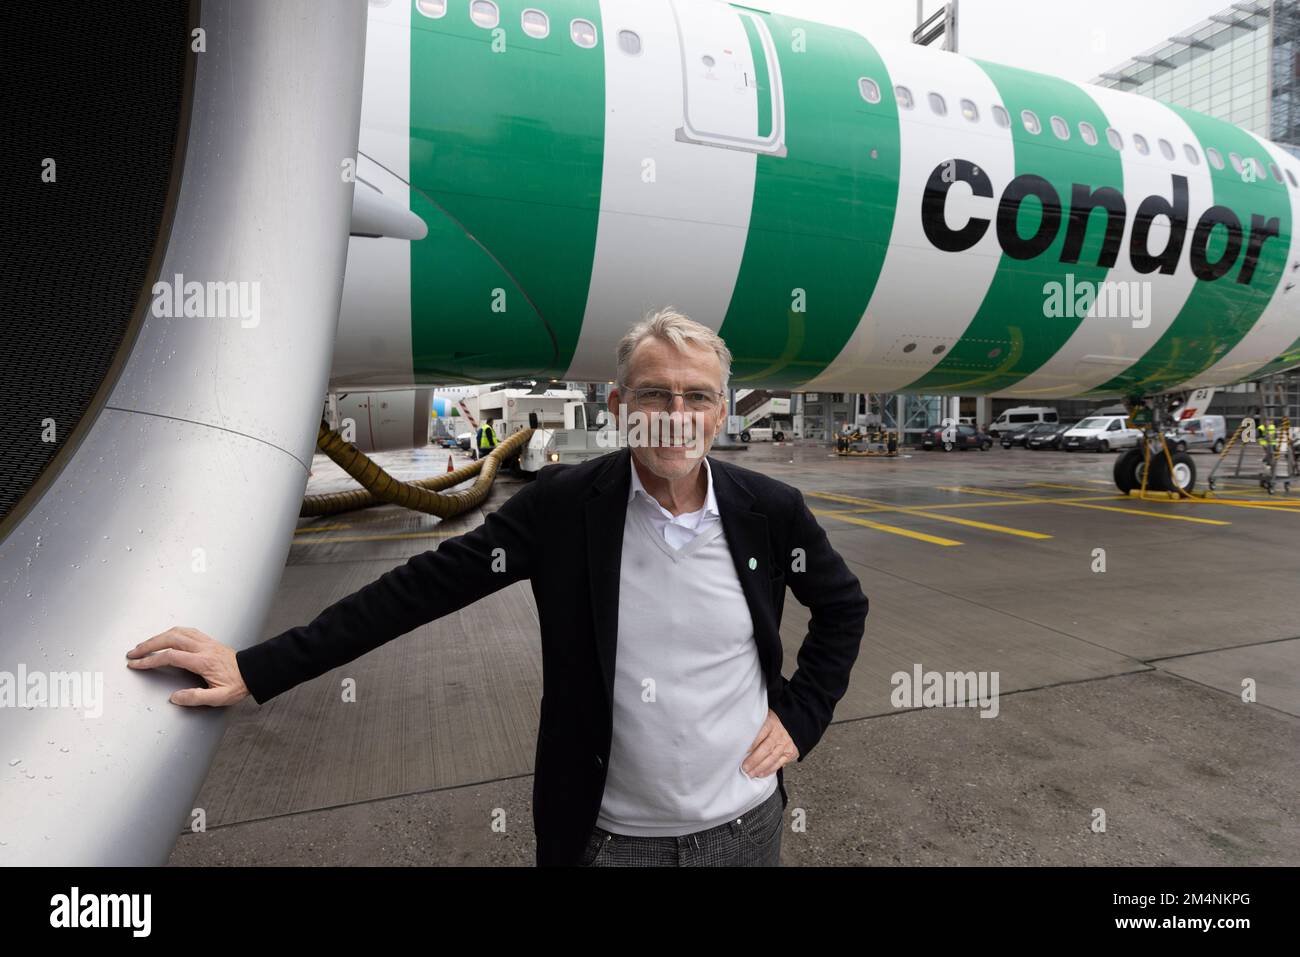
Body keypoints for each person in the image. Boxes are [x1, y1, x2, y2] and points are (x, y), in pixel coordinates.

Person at [126, 308, 869, 867]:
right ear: (618, 406)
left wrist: (803, 715)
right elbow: (419, 589)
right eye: (655, 395)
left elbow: (843, 608)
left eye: (698, 397)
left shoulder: (769, 512)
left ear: (721, 409)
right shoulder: (564, 509)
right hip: (607, 841)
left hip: (744, 832)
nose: (677, 417)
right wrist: (258, 667)